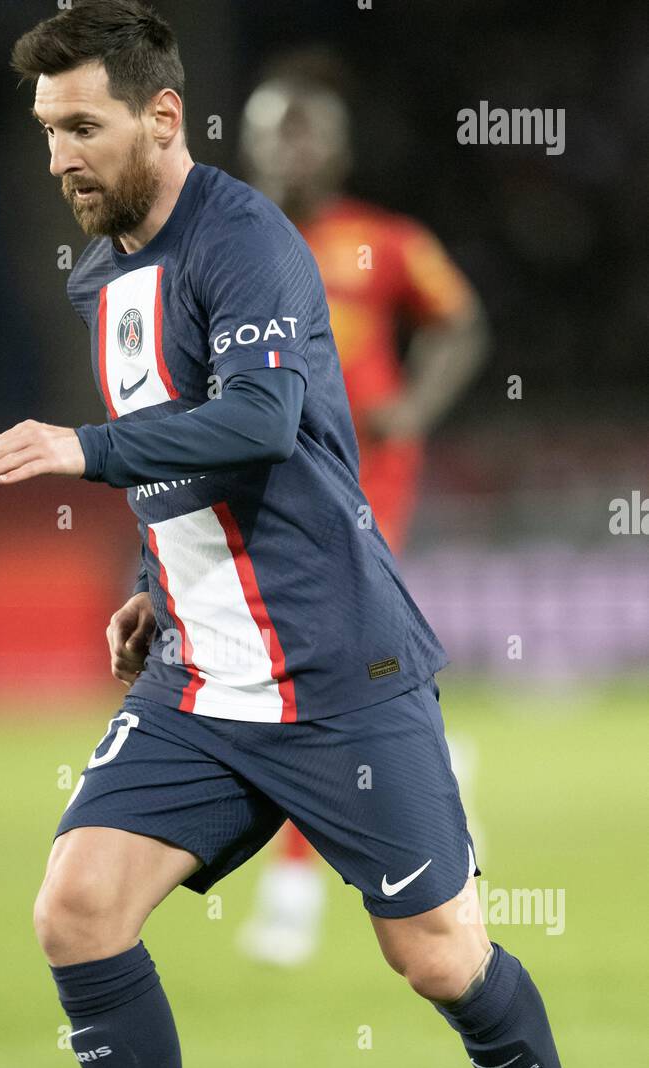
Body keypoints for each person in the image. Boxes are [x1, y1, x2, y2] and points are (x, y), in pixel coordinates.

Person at [0, 0, 622, 1068]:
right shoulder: (101, 267)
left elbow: (258, 419)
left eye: (81, 125)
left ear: (162, 117)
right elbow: (177, 438)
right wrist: (153, 578)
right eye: (46, 132)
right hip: (201, 679)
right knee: (76, 909)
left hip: (339, 674)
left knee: (435, 955)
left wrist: (80, 452)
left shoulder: (248, 240)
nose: (58, 156)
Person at [237, 69, 490, 967]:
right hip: (266, 478)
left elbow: (460, 321)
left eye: (308, 132)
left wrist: (416, 406)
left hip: (366, 477)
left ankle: (297, 886)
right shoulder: (225, 239)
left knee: (327, 653)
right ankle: (434, 767)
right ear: (251, 142)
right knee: (343, 660)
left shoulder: (385, 241)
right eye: (276, 131)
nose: (291, 148)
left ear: (338, 149)